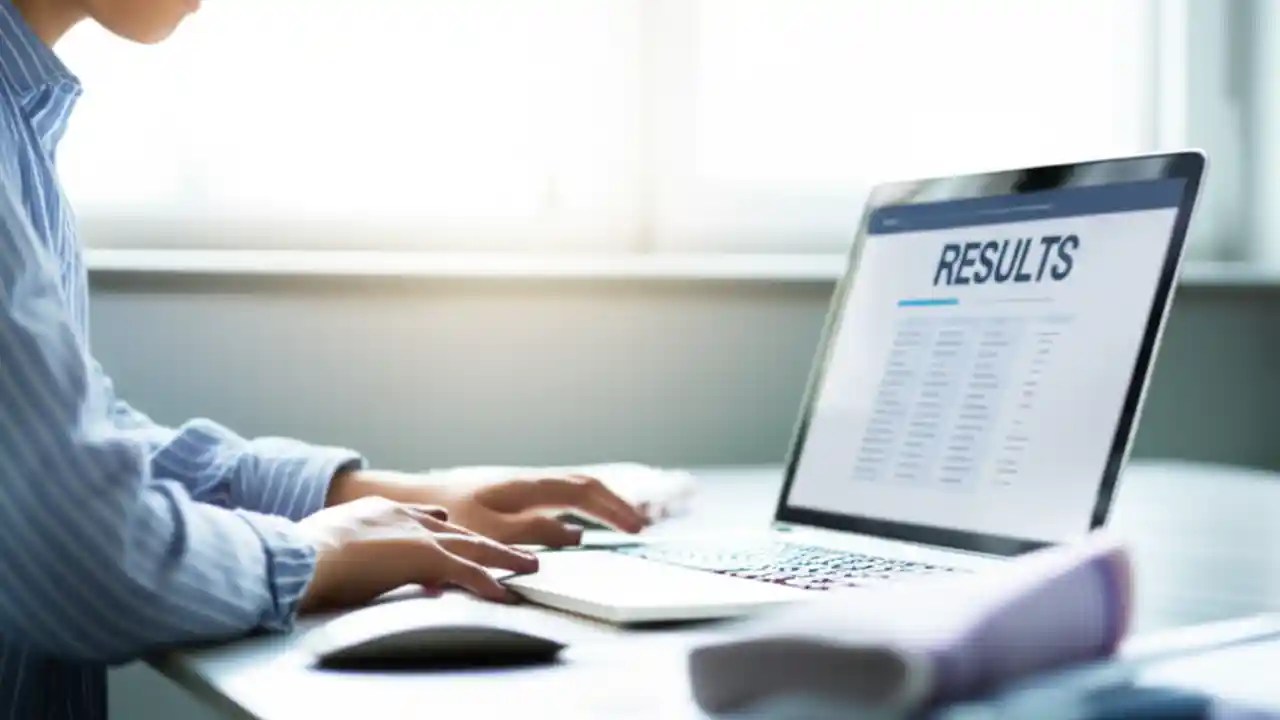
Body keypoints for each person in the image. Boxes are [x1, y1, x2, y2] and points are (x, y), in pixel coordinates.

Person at [0, 0, 651, 717]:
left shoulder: (19, 112)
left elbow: (66, 449)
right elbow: (81, 559)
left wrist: (380, 499)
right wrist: (314, 556)